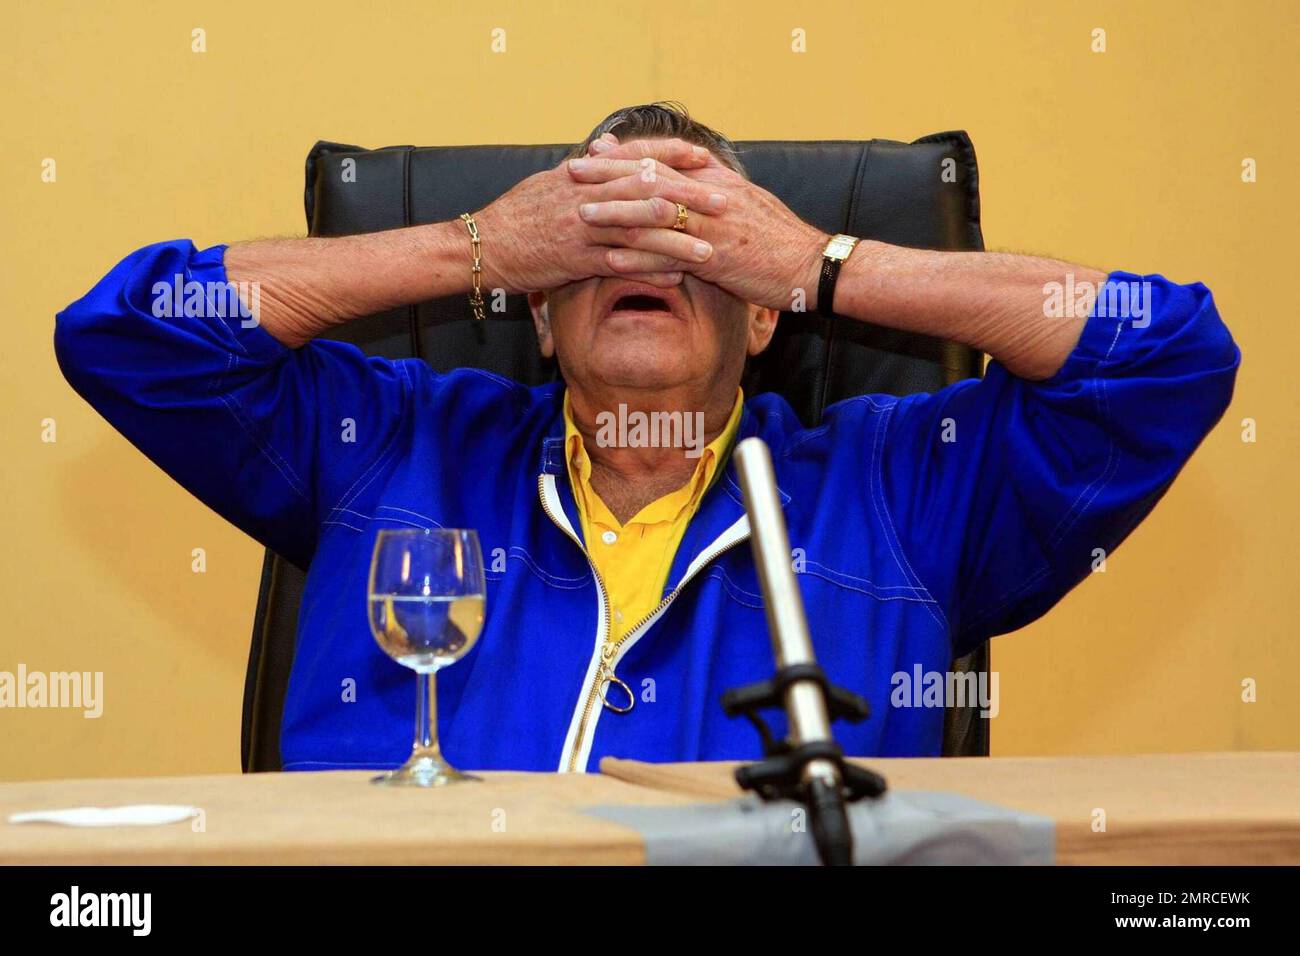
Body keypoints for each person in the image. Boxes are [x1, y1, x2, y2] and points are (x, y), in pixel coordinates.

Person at [54, 103, 1240, 772]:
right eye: (597, 231)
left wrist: (822, 262)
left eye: (692, 234)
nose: (644, 257)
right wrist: (472, 246)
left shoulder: (896, 489)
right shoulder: (387, 440)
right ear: (536, 298)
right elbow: (126, 333)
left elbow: (1167, 353)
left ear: (767, 310)